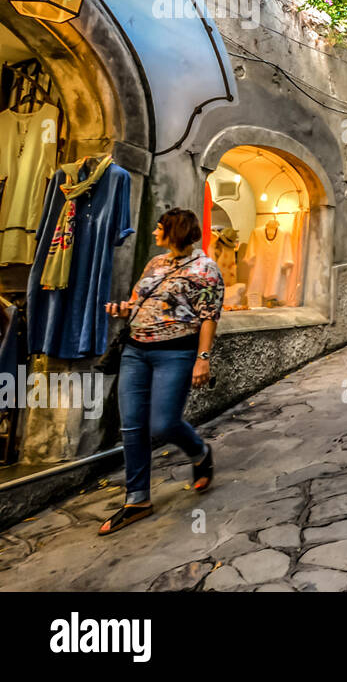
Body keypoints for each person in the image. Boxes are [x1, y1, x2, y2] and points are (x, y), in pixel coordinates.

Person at [98, 208, 223, 535]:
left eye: (160, 228)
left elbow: (209, 315)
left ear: (176, 232)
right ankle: (137, 498)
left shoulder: (205, 268)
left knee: (164, 423)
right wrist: (122, 308)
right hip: (135, 351)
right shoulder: (155, 263)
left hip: (176, 353)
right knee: (133, 426)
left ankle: (200, 452)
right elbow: (137, 300)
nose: (155, 232)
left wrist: (203, 358)